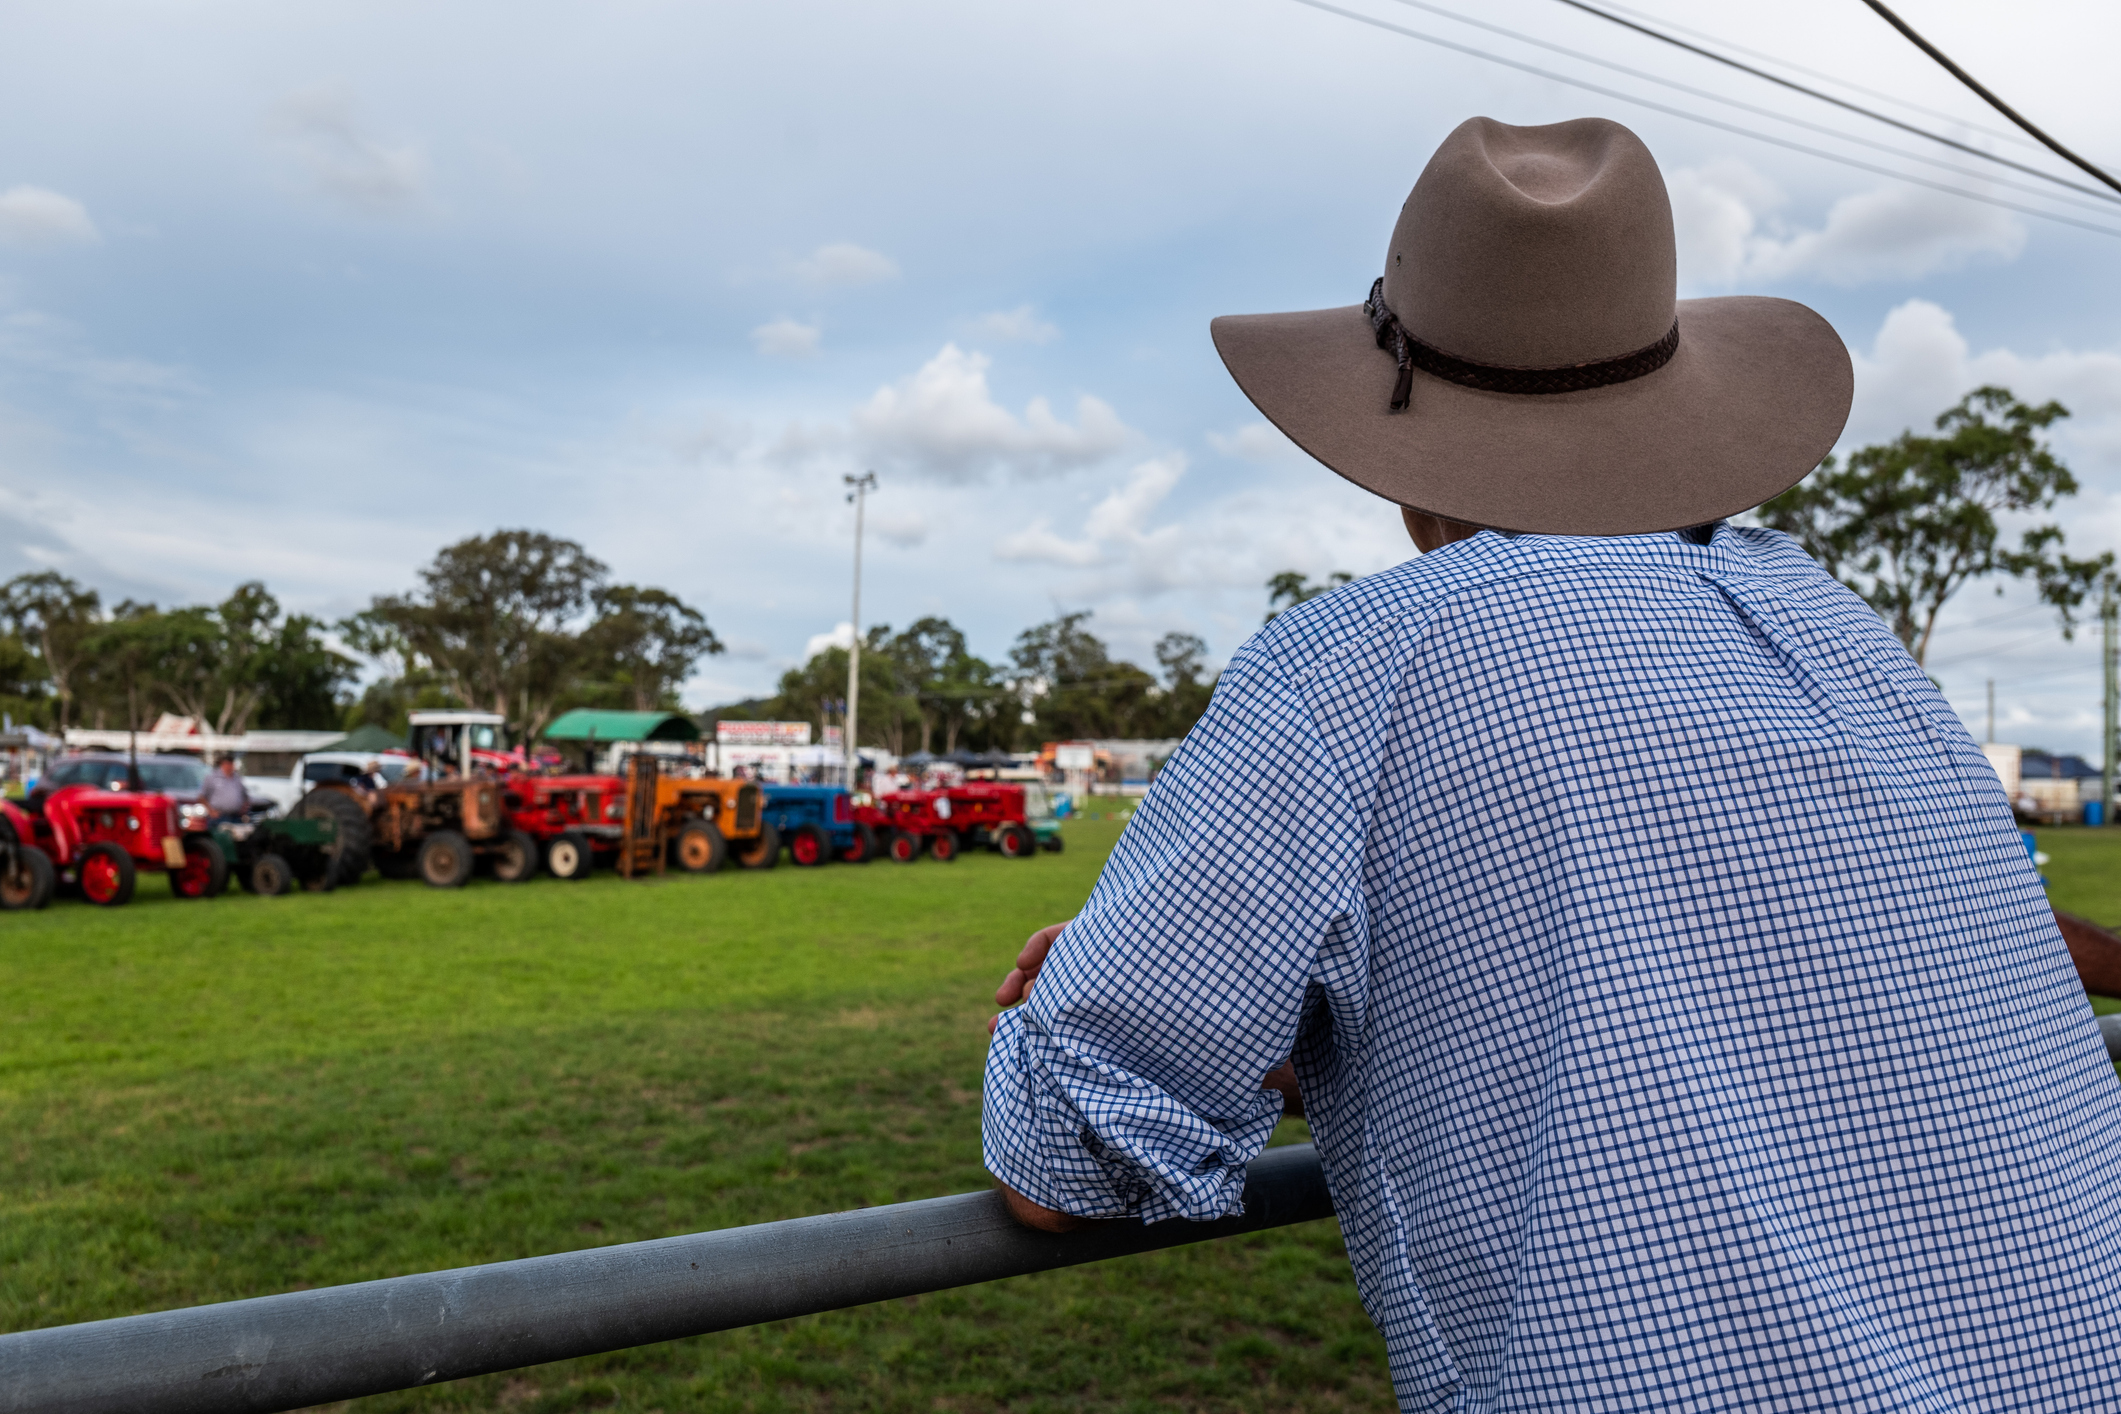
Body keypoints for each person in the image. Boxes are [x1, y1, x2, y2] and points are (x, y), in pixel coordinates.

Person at [980, 116, 2121, 1410]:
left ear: (1402, 468)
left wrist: (1103, 986)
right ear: (1673, 397)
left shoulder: (1345, 672)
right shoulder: (1836, 627)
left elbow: (1064, 1158)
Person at [200, 756, 249, 824]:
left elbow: (245, 796)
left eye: (230, 764)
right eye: (227, 764)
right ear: (222, 764)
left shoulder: (237, 778)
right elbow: (202, 797)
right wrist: (211, 811)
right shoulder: (212, 777)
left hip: (235, 816)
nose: (229, 766)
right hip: (219, 816)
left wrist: (244, 809)